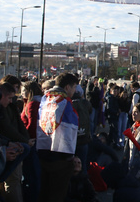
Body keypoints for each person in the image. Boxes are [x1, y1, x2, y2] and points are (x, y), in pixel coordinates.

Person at [37, 73, 80, 202]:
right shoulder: (64, 102)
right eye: (74, 87)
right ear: (67, 87)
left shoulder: (46, 98)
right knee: (57, 194)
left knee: (44, 192)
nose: (75, 91)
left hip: (43, 150)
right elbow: (68, 131)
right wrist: (69, 156)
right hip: (60, 155)